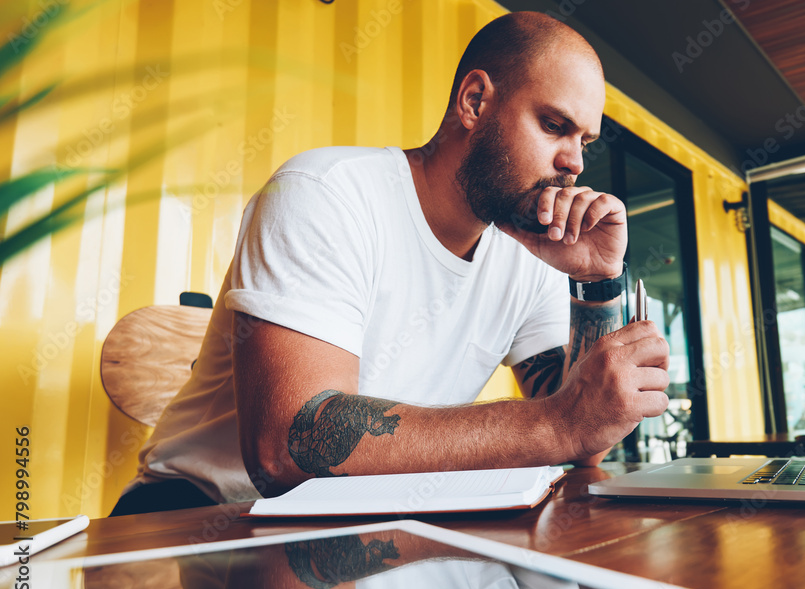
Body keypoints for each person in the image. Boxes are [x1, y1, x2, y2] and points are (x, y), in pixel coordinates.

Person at [111, 11, 670, 515]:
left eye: (584, 140)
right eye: (554, 126)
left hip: (374, 511)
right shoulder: (324, 194)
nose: (574, 162)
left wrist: (594, 282)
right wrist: (557, 423)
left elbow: (584, 434)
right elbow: (286, 449)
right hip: (203, 515)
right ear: (475, 102)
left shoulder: (532, 251)